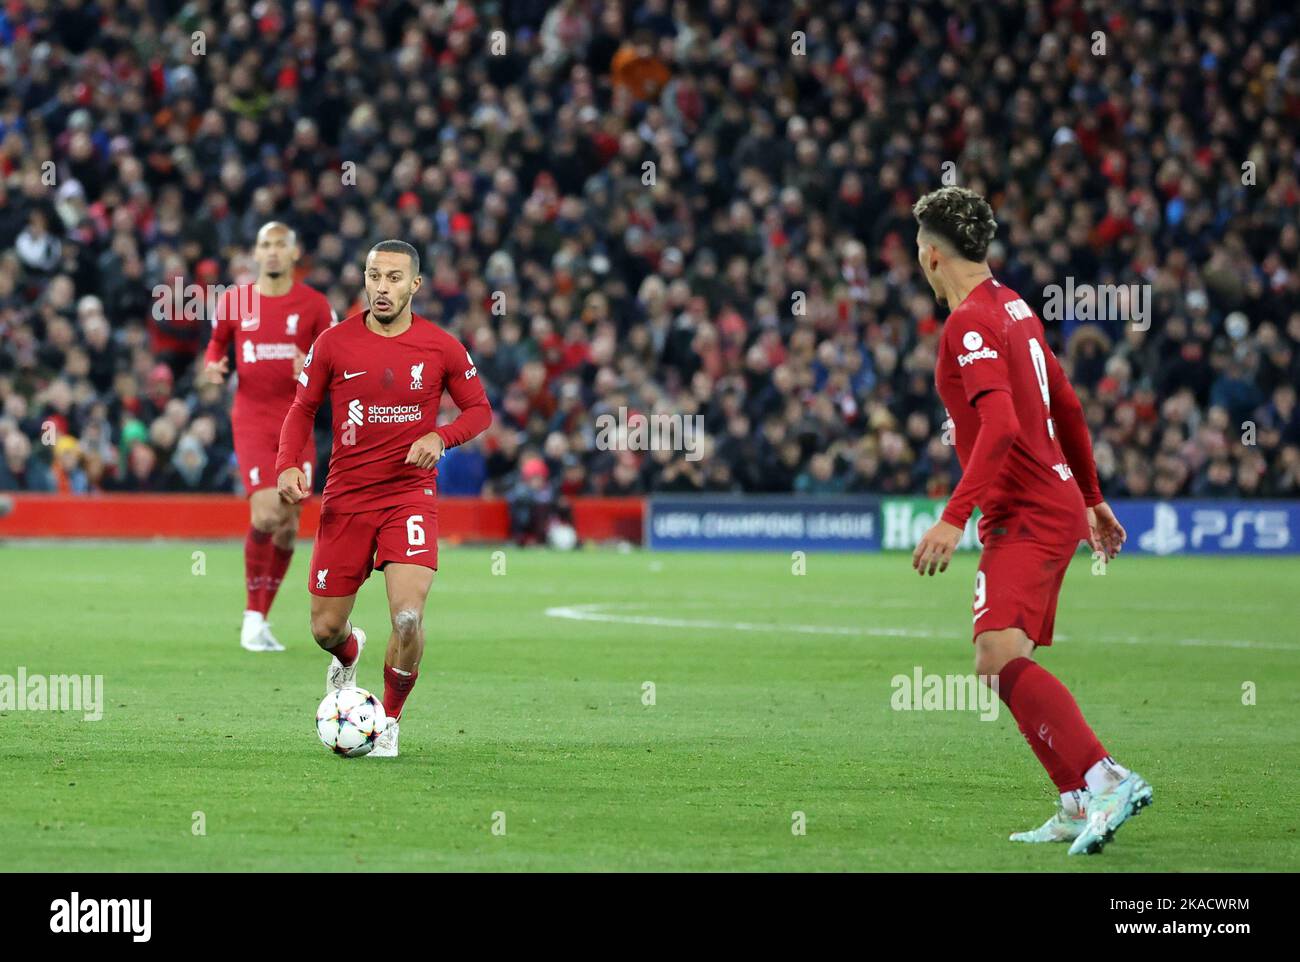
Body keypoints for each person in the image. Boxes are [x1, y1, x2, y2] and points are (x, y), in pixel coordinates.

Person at [908, 187, 1151, 856]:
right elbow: (1066, 404)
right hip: (1054, 500)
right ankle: (1075, 801)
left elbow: (1006, 424)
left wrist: (953, 518)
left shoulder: (968, 324)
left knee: (994, 655)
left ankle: (1106, 777)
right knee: (1004, 657)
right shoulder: (1013, 304)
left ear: (931, 256)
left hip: (1027, 509)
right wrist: (1094, 497)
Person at [276, 240, 492, 757]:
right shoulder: (333, 343)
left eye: (394, 278)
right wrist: (287, 462)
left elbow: (479, 411)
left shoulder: (440, 347)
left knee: (408, 617)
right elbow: (302, 408)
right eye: (374, 276)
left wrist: (441, 437)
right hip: (346, 498)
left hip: (408, 496)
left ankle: (387, 723)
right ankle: (350, 653)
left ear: (415, 285)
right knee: (325, 629)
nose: (382, 287)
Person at [204, 222, 335, 651]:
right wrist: (213, 367)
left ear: (295, 254)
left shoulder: (315, 305)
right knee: (264, 516)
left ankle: (261, 618)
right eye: (265, 245)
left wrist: (313, 369)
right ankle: (250, 616)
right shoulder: (235, 301)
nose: (273, 252)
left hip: (297, 422)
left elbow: (341, 365)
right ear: (255, 254)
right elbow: (217, 345)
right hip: (254, 421)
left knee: (288, 527)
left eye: (281, 244)